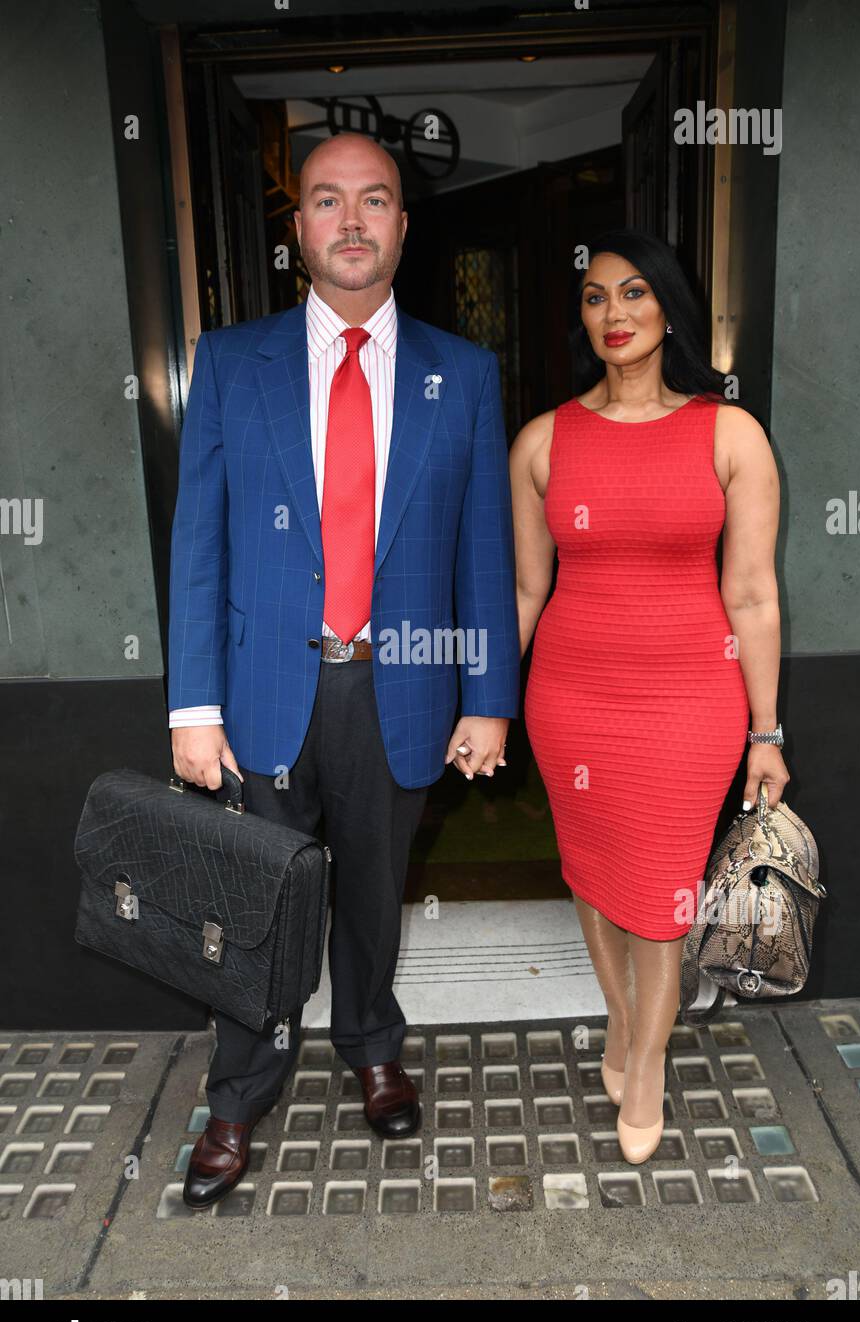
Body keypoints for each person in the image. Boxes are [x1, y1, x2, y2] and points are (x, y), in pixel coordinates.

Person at [168, 132, 520, 1207]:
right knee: (259, 906)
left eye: (375, 200)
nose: (352, 221)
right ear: (300, 229)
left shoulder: (459, 375)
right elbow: (199, 546)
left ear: (404, 226)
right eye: (328, 201)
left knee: (374, 896)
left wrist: (487, 700)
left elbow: (482, 552)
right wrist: (193, 705)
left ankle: (371, 1043)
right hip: (266, 691)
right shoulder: (231, 363)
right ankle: (238, 1095)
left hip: (399, 690)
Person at [510, 228, 788, 1164]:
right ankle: (622, 1022)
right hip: (572, 695)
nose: (614, 314)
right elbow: (525, 590)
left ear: (668, 306)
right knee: (593, 875)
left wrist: (766, 731)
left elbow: (751, 593)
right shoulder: (544, 441)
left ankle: (651, 1058)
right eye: (595, 297)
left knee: (663, 897)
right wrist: (490, 704)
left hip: (690, 700)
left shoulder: (729, 432)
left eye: (633, 294)